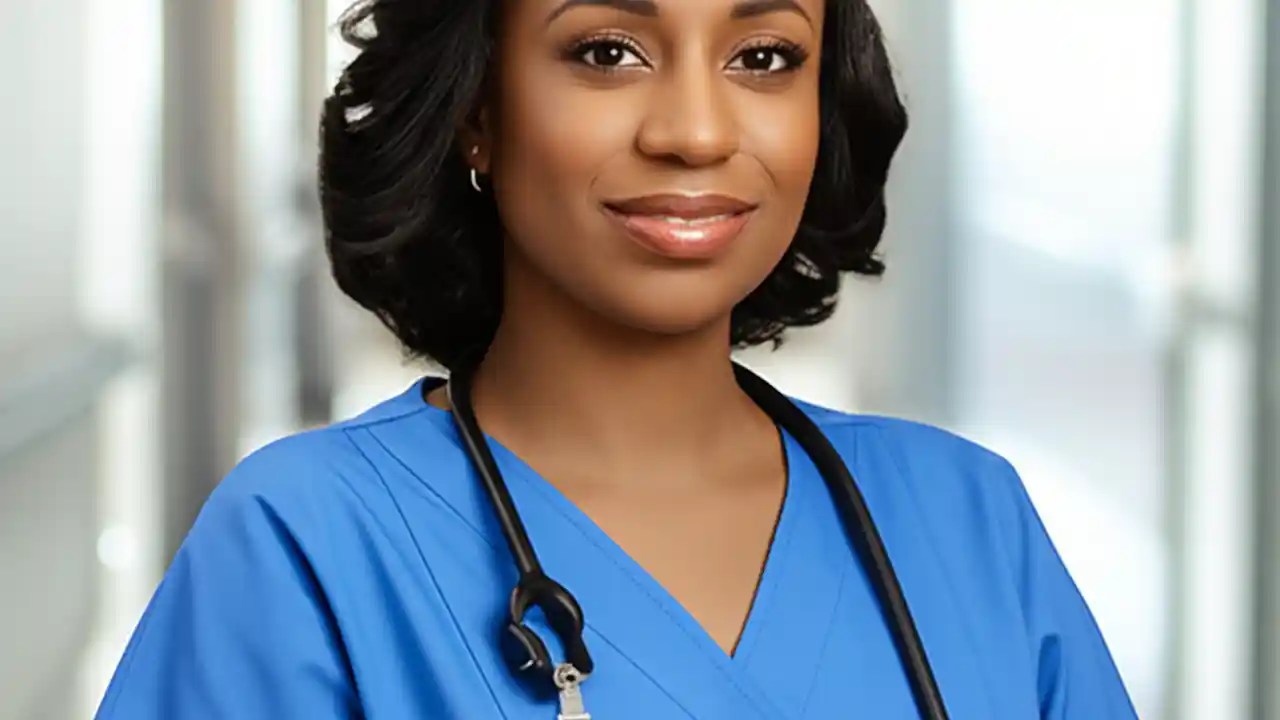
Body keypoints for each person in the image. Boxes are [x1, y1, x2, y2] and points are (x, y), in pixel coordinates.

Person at [95, 0, 1140, 717]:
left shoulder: (966, 519)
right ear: (475, 111)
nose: (693, 131)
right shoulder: (306, 544)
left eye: (763, 55)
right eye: (605, 50)